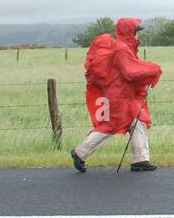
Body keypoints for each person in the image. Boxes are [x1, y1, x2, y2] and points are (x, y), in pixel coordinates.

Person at [70, 17, 163, 172]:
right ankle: (80, 153)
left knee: (137, 121)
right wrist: (153, 69)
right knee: (111, 125)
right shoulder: (121, 49)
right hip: (118, 95)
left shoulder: (125, 47)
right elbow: (130, 71)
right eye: (136, 31)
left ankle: (141, 159)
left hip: (126, 94)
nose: (138, 35)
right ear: (129, 31)